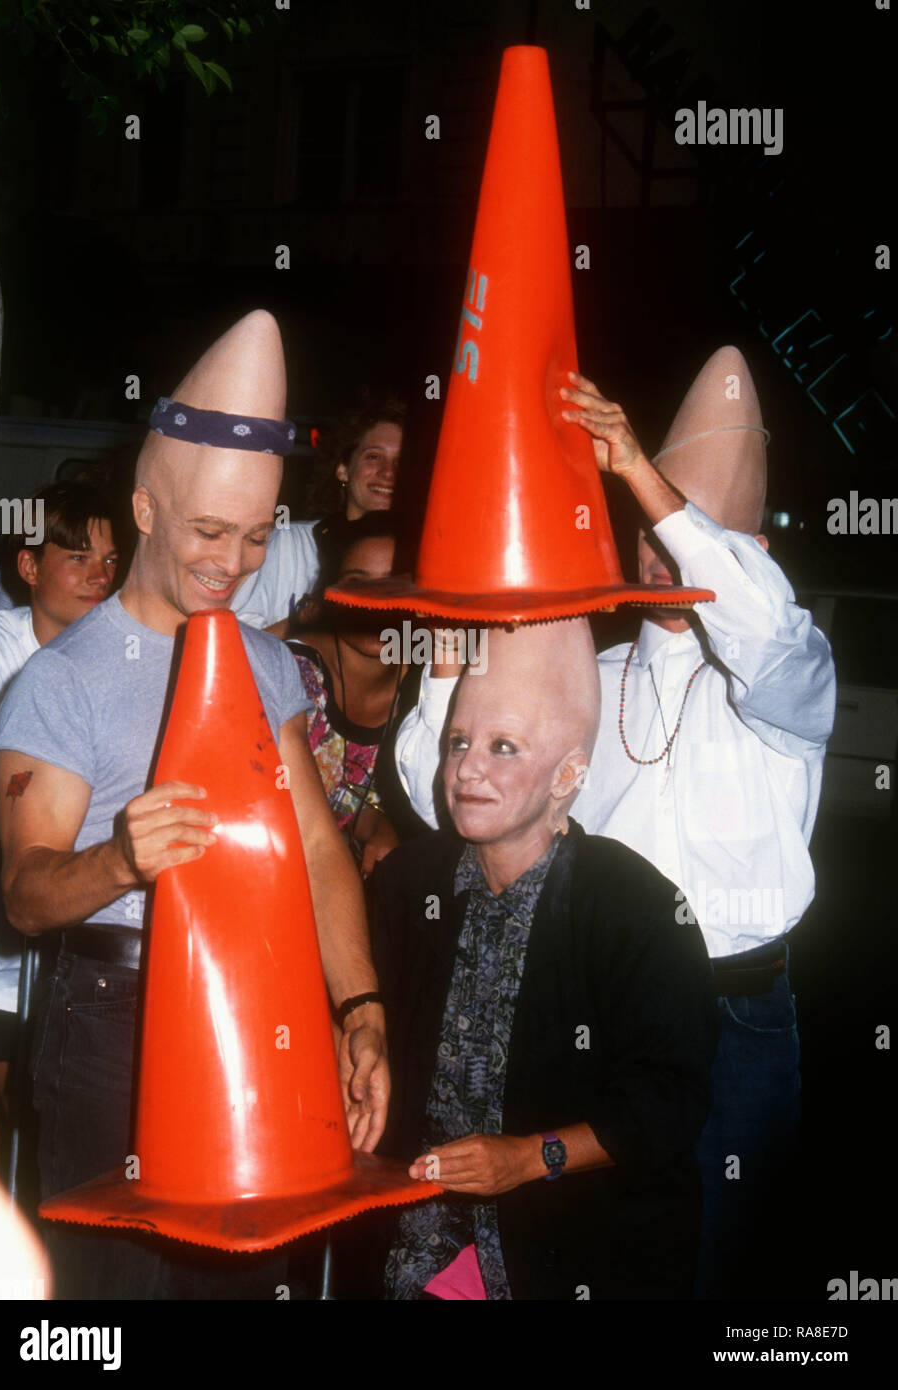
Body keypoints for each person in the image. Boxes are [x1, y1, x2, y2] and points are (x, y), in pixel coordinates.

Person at [395, 346, 837, 1298]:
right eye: (649, 529)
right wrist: (445, 659)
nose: (662, 549)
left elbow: (763, 629)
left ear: (748, 554)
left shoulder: (787, 683)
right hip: (594, 1007)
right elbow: (446, 788)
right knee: (587, 1250)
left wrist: (639, 465)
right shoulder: (584, 679)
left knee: (719, 1260)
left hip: (738, 1010)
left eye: (692, 532)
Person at [0, 311, 388, 1299]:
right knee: (110, 1297)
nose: (234, 561)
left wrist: (358, 1005)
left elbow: (315, 847)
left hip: (258, 1003)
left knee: (239, 1281)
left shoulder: (263, 663)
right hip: (109, 1021)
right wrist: (118, 861)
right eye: (210, 531)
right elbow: (27, 898)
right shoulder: (57, 683)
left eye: (255, 537)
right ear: (146, 510)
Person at [374, 619, 718, 1300]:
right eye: (459, 743)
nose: (469, 767)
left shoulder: (636, 908)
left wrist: (533, 1158)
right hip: (414, 1236)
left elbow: (669, 1104)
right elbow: (361, 1012)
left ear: (568, 774)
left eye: (504, 748)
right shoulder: (409, 882)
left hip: (572, 1246)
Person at [0, 480, 118, 1173]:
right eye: (78, 556)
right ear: (28, 568)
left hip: (80, 942)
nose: (100, 575)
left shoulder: (115, 658)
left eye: (112, 561)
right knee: (16, 1122)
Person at [282, 513, 422, 878]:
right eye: (357, 584)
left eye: (394, 586)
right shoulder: (289, 671)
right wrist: (371, 824)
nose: (375, 603)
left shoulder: (437, 686)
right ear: (330, 595)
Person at [233, 393, 405, 634]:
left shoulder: (421, 562)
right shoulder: (288, 545)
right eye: (374, 457)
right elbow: (236, 645)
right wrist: (311, 615)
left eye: (402, 461)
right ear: (343, 470)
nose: (388, 473)